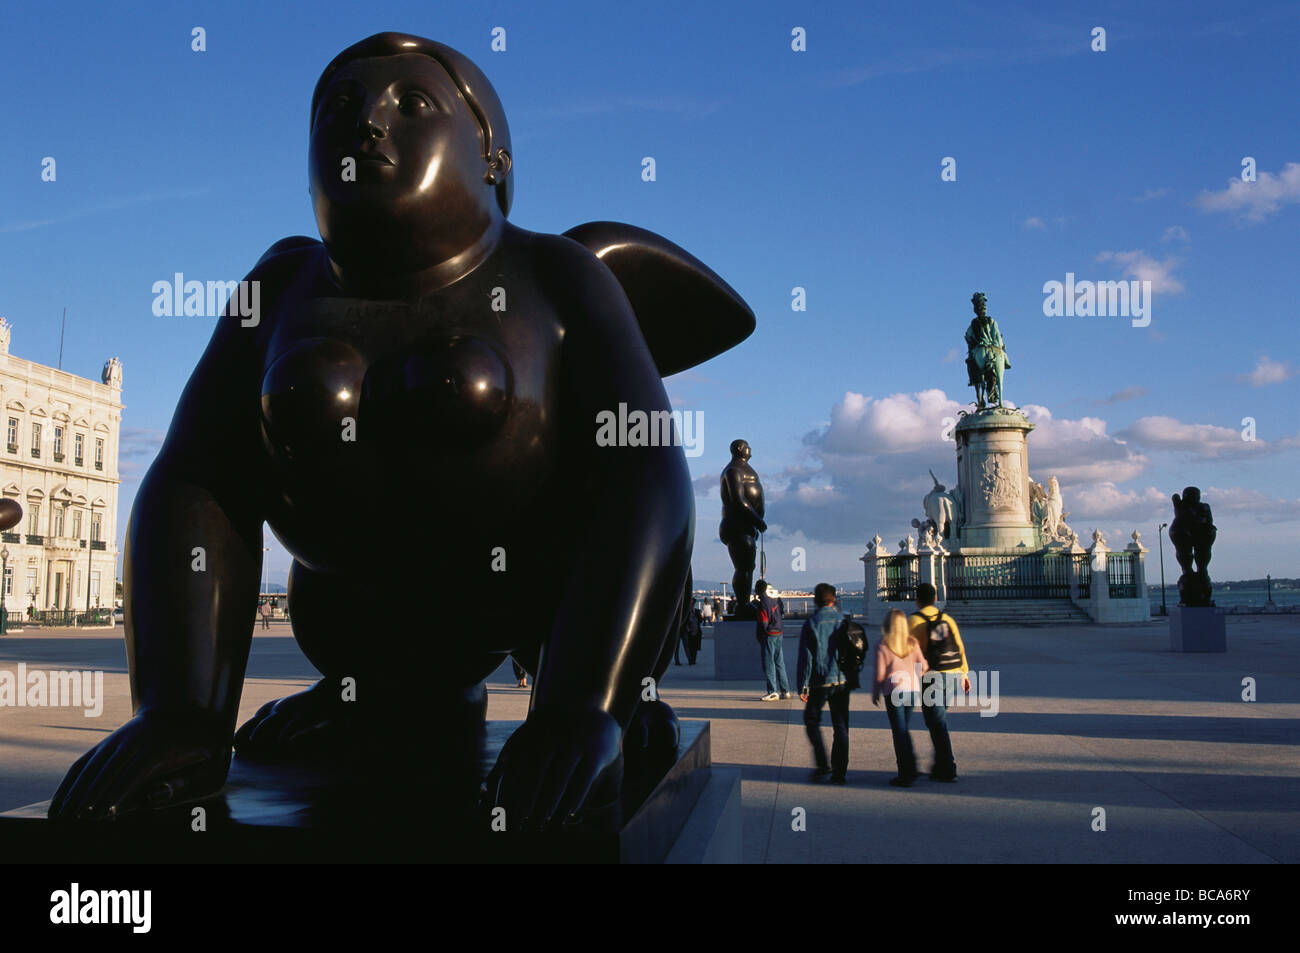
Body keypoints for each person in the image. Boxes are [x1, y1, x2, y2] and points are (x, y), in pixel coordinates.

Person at [908, 583, 969, 782]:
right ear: (935, 598)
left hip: (932, 675)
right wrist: (964, 674)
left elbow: (907, 653)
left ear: (917, 599)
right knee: (938, 719)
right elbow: (959, 647)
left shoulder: (914, 621)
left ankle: (948, 768)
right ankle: (940, 765)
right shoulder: (947, 619)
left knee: (936, 721)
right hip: (952, 673)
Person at [797, 583, 849, 782]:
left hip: (820, 681)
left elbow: (805, 659)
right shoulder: (843, 620)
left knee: (811, 721)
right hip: (842, 680)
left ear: (815, 601)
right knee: (841, 726)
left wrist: (803, 685)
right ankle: (839, 772)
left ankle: (822, 764)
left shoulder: (812, 623)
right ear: (833, 599)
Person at [873, 607, 928, 787]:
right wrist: (914, 675)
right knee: (904, 730)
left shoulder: (883, 645)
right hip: (912, 691)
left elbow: (880, 674)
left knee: (899, 733)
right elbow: (924, 666)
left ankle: (905, 774)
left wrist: (875, 692)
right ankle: (911, 767)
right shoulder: (912, 643)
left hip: (894, 691)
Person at [754, 579, 789, 700]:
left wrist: (762, 633)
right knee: (780, 662)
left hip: (769, 634)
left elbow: (763, 621)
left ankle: (772, 690)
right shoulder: (775, 600)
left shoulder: (763, 602)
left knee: (769, 663)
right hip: (779, 632)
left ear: (758, 590)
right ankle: (785, 689)